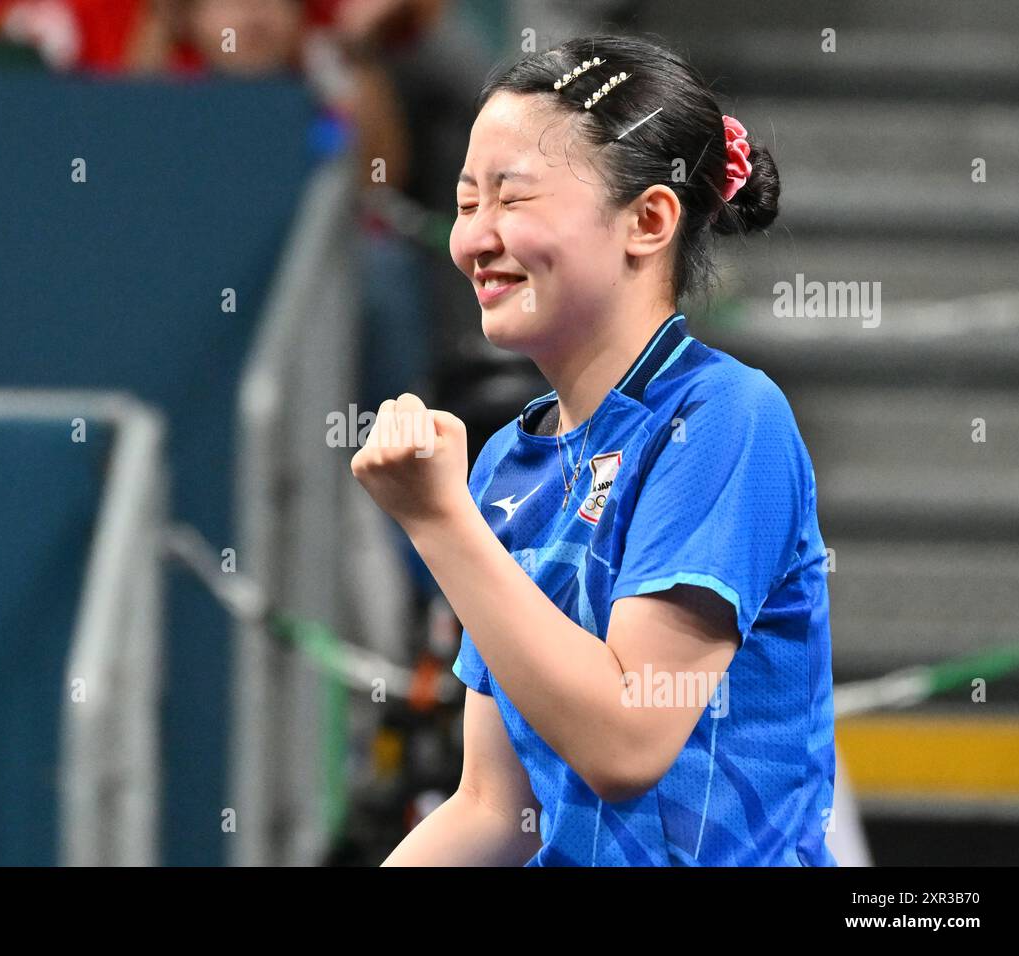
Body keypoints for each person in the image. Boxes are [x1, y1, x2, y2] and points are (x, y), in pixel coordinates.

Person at [350, 33, 837, 866]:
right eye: (467, 204)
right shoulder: (510, 458)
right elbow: (492, 809)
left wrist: (439, 520)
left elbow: (624, 743)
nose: (475, 239)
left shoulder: (724, 419)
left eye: (514, 199)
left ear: (648, 220)